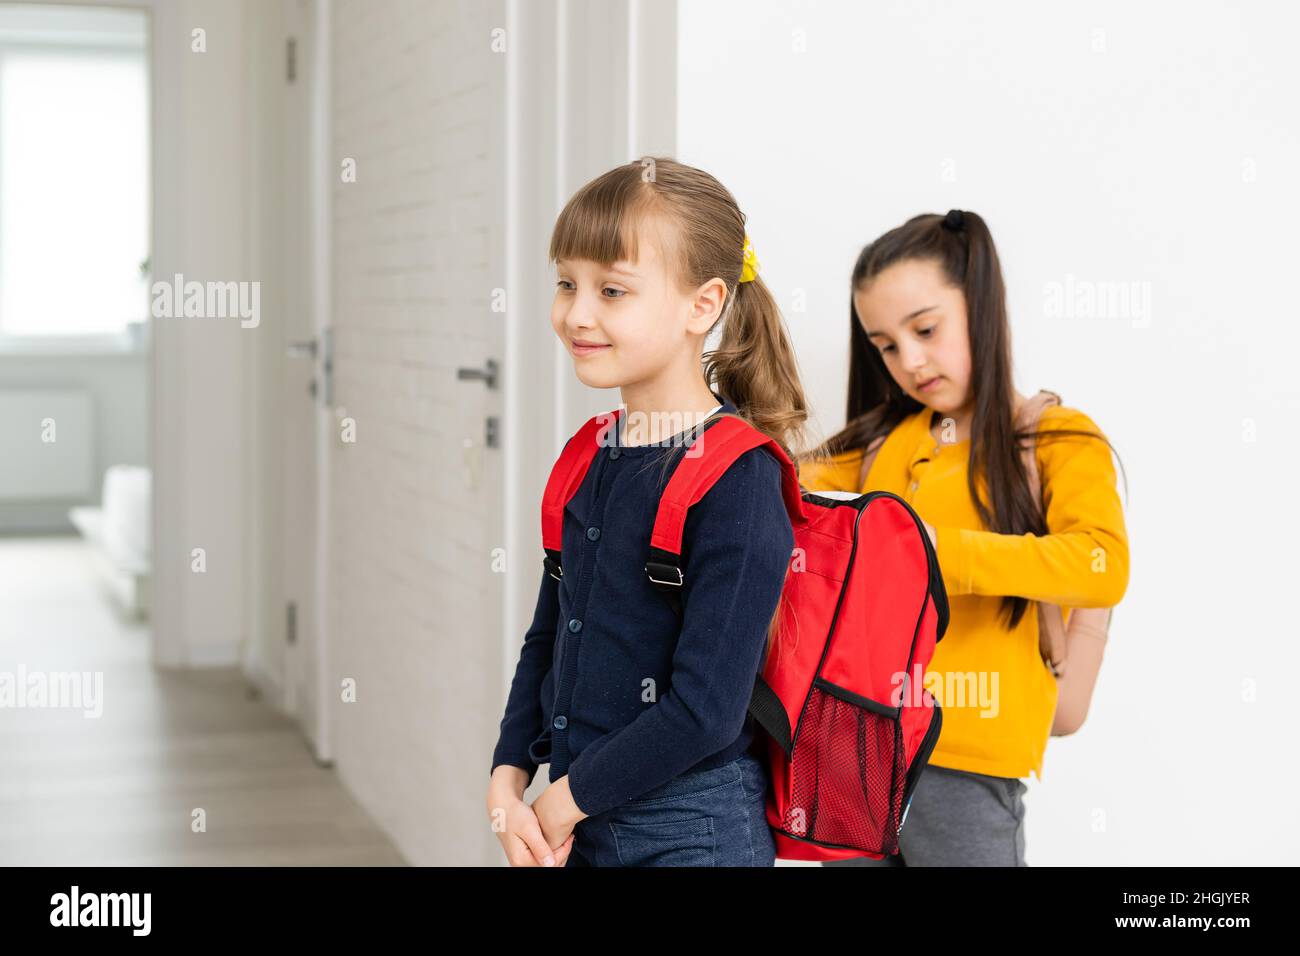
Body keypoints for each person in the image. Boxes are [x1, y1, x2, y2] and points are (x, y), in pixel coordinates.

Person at [485, 156, 807, 867]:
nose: (576, 313)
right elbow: (549, 637)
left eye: (612, 290)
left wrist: (559, 803)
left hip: (689, 834)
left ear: (703, 305)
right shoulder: (588, 456)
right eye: (566, 282)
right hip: (584, 816)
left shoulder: (739, 480)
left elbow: (705, 711)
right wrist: (508, 777)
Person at [798, 209, 1130, 866]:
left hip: (967, 763)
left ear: (977, 304)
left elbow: (1101, 563)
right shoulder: (878, 445)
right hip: (852, 756)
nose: (909, 360)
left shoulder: (1056, 436)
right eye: (886, 345)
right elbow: (773, 485)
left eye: (925, 329)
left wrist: (931, 551)